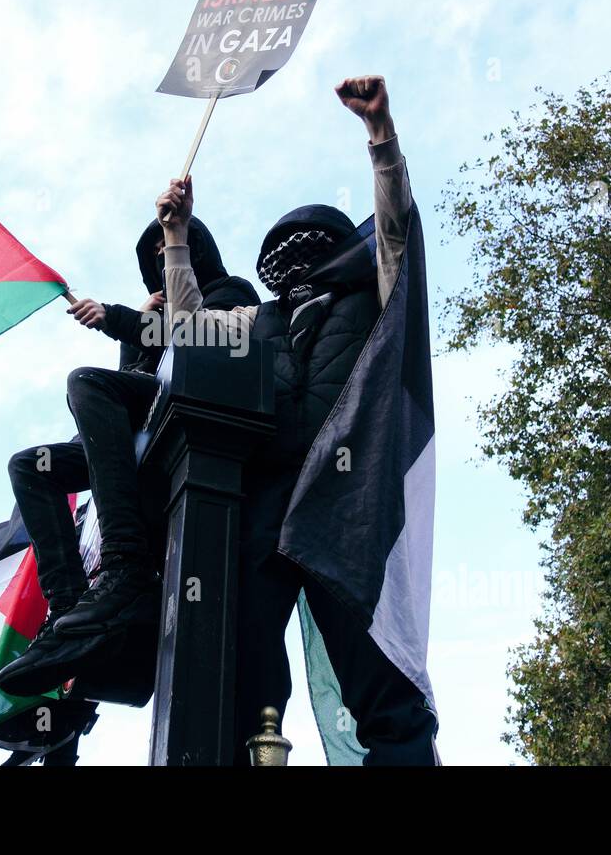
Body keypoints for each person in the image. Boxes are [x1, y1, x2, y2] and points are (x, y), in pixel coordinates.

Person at [156, 75, 439, 764]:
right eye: (283, 245)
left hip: (346, 508)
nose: (295, 252)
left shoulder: (371, 290)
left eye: (308, 239)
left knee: (380, 683)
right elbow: (188, 330)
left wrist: (381, 136)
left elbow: (397, 226)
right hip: (267, 510)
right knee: (245, 675)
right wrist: (175, 236)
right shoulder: (259, 319)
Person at [0, 217, 257, 696]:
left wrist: (119, 318)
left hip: (186, 421)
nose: (162, 256)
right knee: (29, 467)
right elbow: (129, 389)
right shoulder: (149, 317)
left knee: (86, 380)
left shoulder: (230, 290)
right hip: (138, 433)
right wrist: (134, 333)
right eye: (152, 252)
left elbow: (195, 339)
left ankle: (125, 567)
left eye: (169, 247)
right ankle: (71, 609)